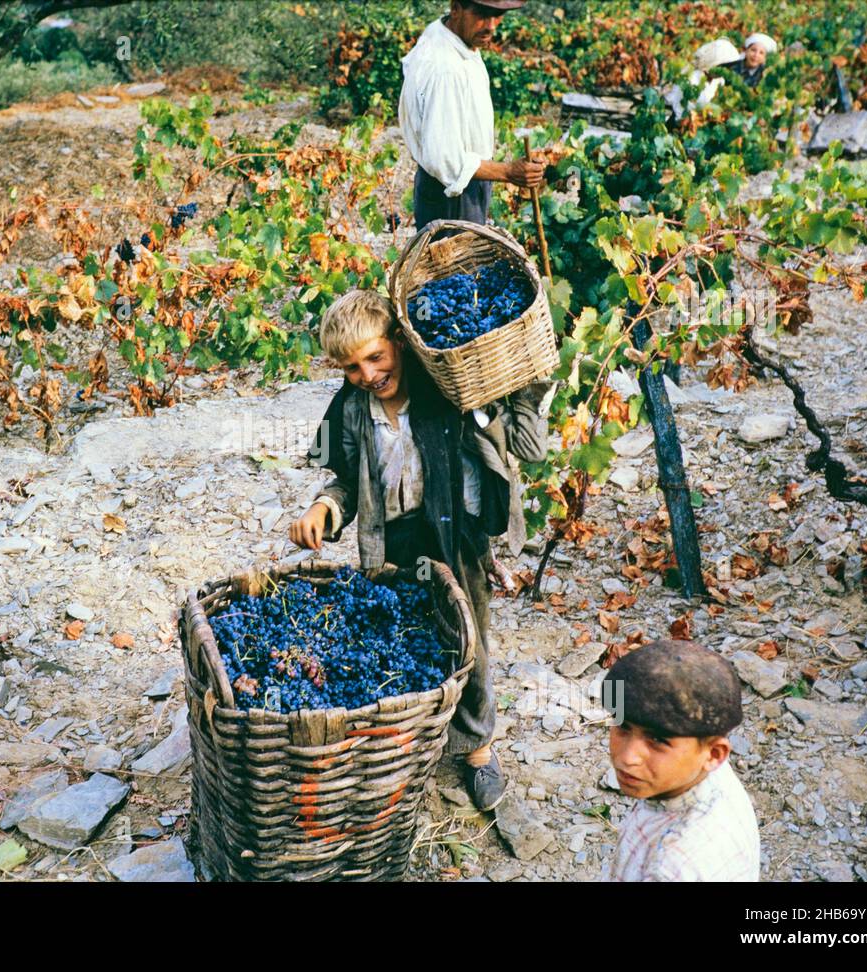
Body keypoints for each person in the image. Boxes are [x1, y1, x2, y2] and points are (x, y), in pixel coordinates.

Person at [288, 290, 554, 812]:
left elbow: (526, 447)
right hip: (393, 539)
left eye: (375, 358)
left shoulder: (445, 388)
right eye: (351, 367)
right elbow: (343, 478)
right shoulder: (349, 409)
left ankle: (476, 748)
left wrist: (516, 397)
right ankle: (410, 742)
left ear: (400, 344)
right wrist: (322, 509)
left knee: (467, 638)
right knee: (401, 635)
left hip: (456, 533)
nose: (366, 374)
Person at [602, 639, 761, 881]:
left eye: (658, 739)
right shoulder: (700, 766)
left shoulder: (675, 867)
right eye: (622, 726)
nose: (627, 757)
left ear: (714, 754)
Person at [398, 0, 544, 231]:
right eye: (482, 15)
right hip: (452, 195)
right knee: (457, 265)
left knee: (455, 265)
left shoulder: (447, 36)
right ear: (456, 9)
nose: (491, 26)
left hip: (456, 187)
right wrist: (509, 172)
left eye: (497, 16)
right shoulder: (446, 70)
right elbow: (446, 160)